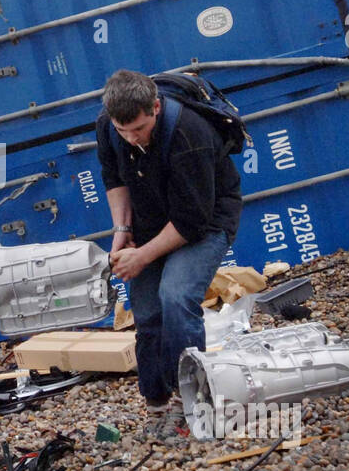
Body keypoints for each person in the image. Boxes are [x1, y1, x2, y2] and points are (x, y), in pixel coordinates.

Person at [95, 69, 242, 436]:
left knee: (175, 296)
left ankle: (193, 397)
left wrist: (141, 256)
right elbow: (113, 176)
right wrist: (123, 230)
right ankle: (158, 402)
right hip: (147, 219)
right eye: (122, 130)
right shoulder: (108, 126)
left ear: (156, 107)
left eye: (139, 130)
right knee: (146, 312)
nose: (131, 139)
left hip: (205, 221)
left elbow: (192, 221)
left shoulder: (190, 135)